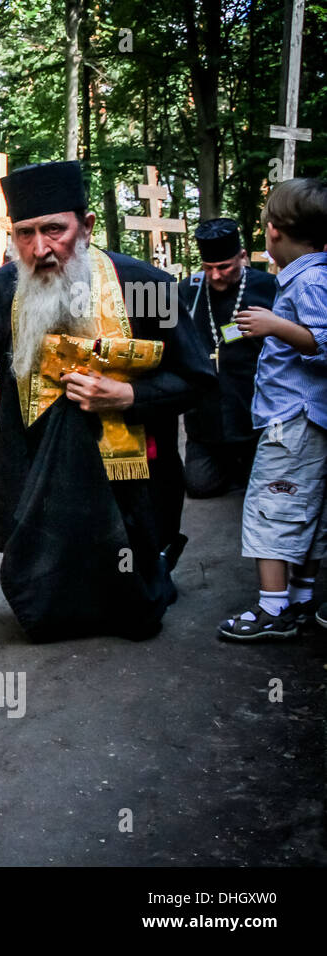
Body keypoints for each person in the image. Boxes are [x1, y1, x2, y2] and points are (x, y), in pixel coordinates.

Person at [0, 160, 216, 641]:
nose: (39, 249)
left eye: (54, 230)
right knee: (43, 617)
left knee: (135, 612)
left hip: (129, 481)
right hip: (37, 480)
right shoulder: (3, 288)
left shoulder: (146, 287)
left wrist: (128, 394)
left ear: (85, 227)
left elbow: (199, 380)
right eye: (24, 233)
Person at [217, 178, 327, 641]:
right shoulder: (311, 276)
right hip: (304, 417)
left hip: (294, 422)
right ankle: (300, 600)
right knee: (305, 507)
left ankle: (272, 610)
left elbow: (323, 341)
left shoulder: (309, 279)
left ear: (274, 231)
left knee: (271, 505)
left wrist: (276, 325)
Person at [181, 218, 277, 498]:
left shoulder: (269, 287)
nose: (215, 276)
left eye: (223, 267)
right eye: (208, 268)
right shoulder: (190, 290)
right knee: (200, 486)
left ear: (243, 256)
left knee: (262, 488)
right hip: (205, 420)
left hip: (252, 410)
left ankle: (243, 462)